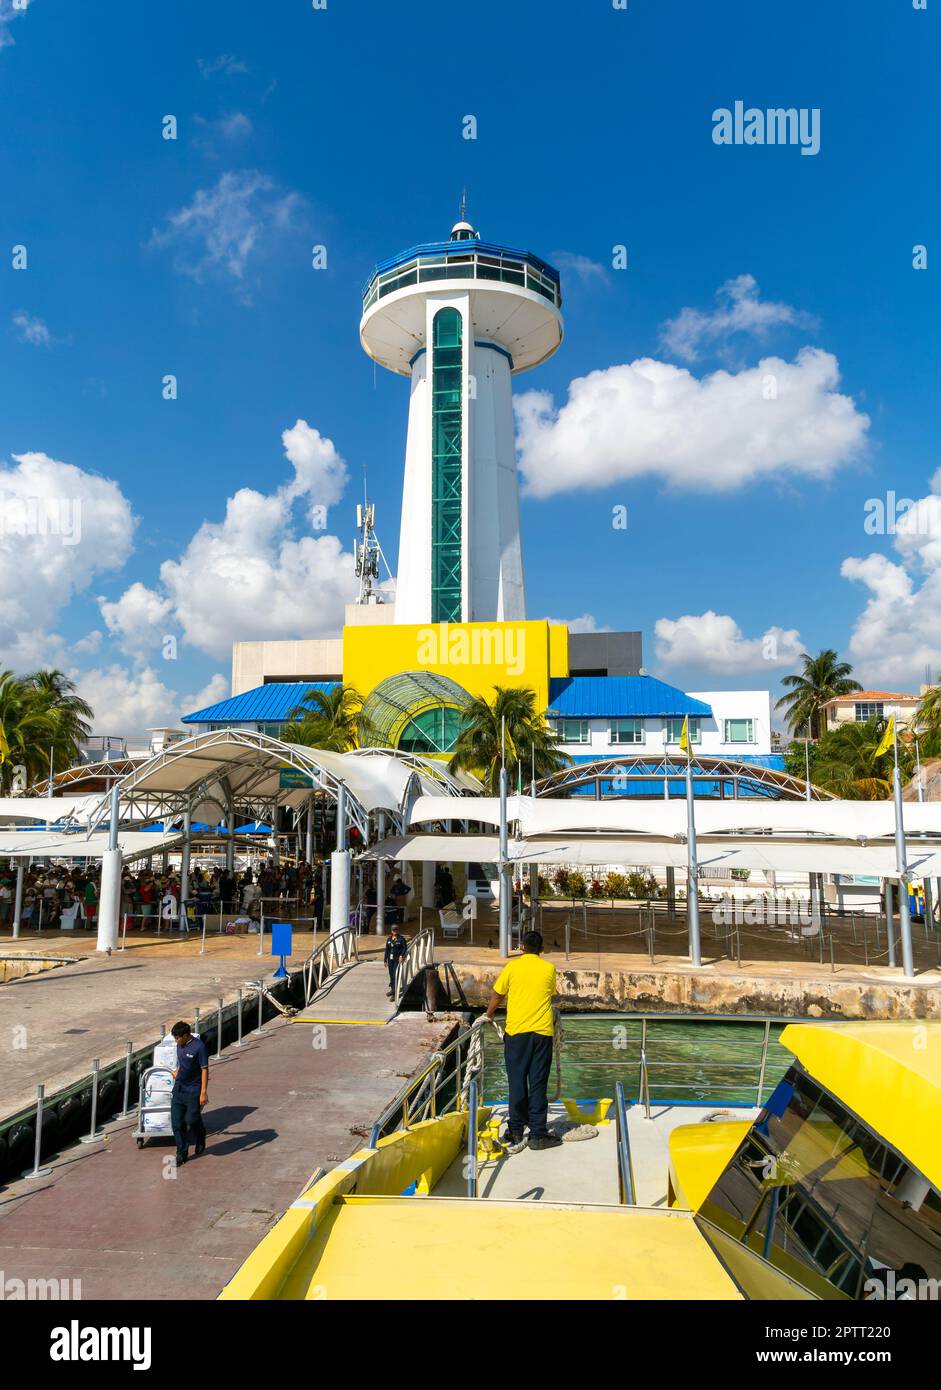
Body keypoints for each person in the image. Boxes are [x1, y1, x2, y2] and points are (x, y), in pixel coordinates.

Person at [481, 930, 560, 1151]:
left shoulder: (512, 967)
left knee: (517, 1082)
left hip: (516, 1033)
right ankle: (537, 1134)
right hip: (542, 1033)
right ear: (541, 949)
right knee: (538, 1083)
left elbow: (498, 995)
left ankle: (515, 1130)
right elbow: (550, 992)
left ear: (522, 947)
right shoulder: (549, 969)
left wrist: (488, 1015)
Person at [169, 1020, 208, 1165]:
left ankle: (200, 1134)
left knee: (191, 1120)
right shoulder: (179, 1046)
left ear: (185, 1036)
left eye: (177, 1038)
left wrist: (203, 1092)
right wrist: (177, 1072)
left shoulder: (199, 1047)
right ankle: (182, 1153)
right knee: (177, 1123)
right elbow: (181, 1062)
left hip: (193, 1090)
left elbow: (204, 1069)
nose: (176, 1040)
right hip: (179, 1088)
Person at [384, 922, 408, 998]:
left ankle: (395, 994)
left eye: (396, 930)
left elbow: (404, 948)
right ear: (391, 931)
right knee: (391, 975)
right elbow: (387, 950)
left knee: (395, 975)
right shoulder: (389, 939)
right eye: (393, 930)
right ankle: (392, 989)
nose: (394, 931)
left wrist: (401, 955)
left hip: (396, 960)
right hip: (390, 960)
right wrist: (385, 960)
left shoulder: (401, 939)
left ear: (397, 931)